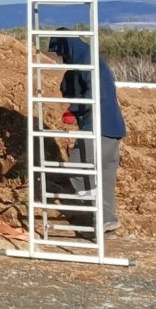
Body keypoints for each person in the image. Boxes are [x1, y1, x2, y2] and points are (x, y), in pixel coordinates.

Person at [54, 35, 123, 233]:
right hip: (112, 128)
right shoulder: (86, 61)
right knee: (104, 178)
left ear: (66, 48)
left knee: (78, 170)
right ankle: (108, 224)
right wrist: (75, 109)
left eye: (61, 53)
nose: (61, 58)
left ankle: (98, 214)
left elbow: (96, 92)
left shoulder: (86, 60)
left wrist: (75, 108)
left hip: (99, 128)